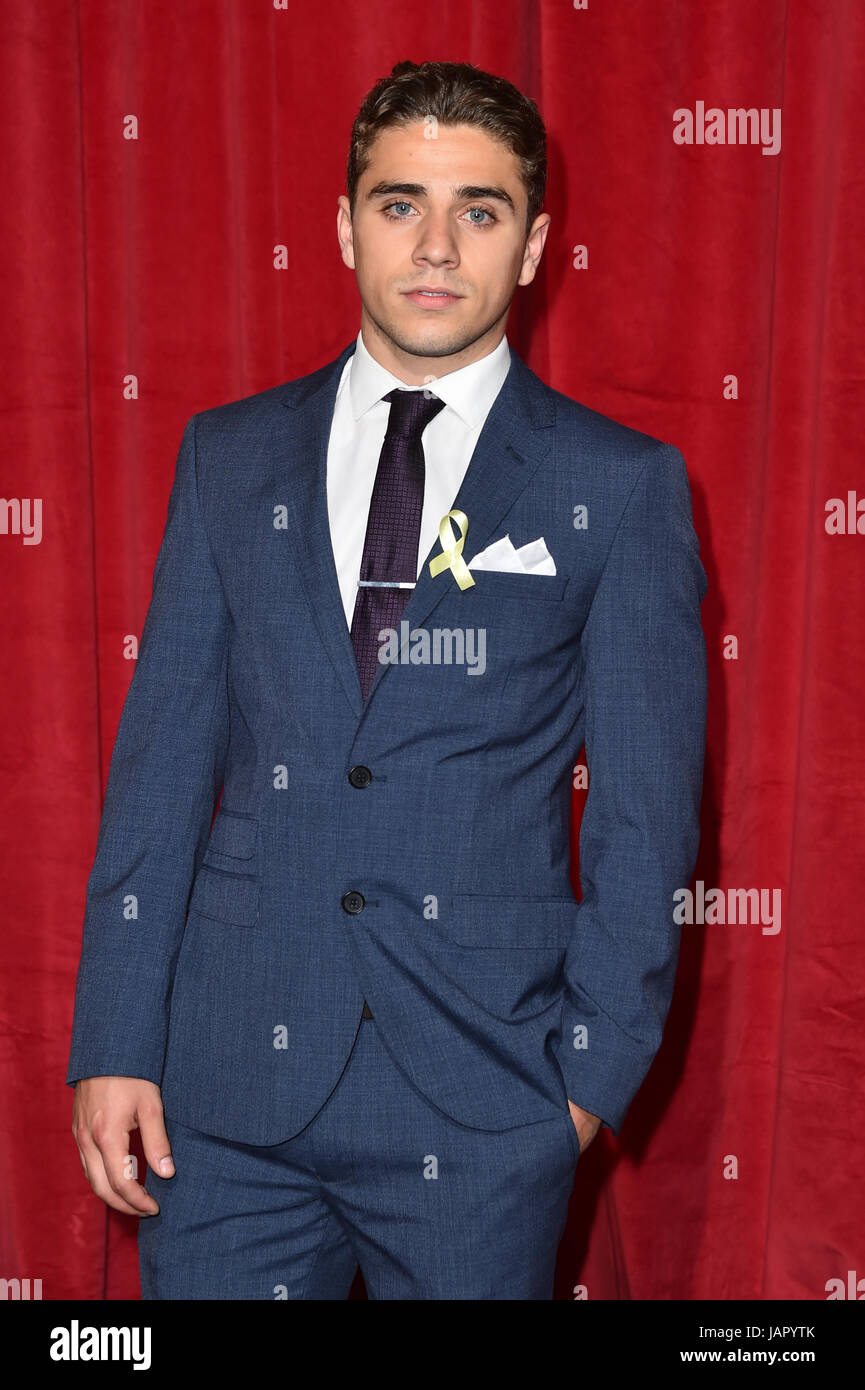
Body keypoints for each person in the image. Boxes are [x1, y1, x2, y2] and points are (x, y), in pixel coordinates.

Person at [68, 59, 708, 1300]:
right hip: (225, 1094)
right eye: (397, 201)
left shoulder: (620, 486)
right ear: (344, 226)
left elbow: (645, 818)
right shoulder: (227, 455)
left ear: (531, 249)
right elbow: (159, 771)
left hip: (484, 1099)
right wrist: (115, 1038)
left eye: (479, 209)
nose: (434, 244)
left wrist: (581, 1086)